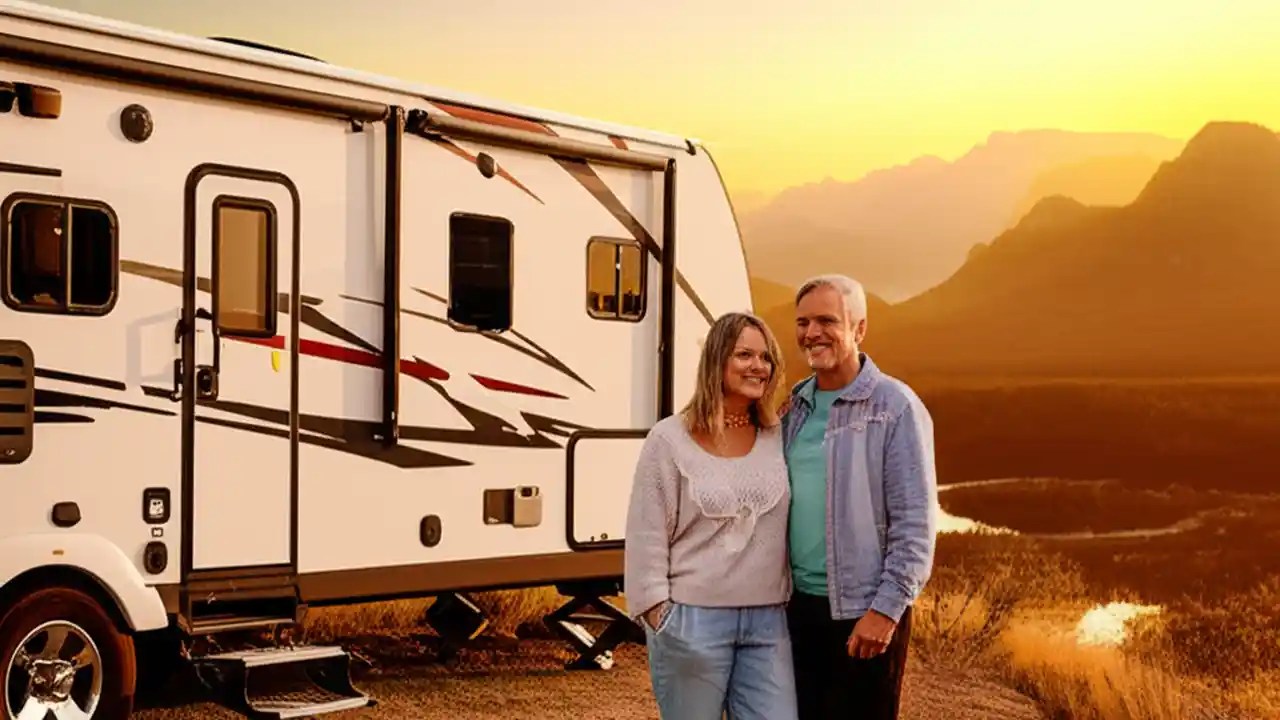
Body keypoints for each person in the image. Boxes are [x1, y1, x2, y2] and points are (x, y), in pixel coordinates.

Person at [623, 311, 798, 720]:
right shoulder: (669, 438)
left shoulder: (778, 435)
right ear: (717, 360)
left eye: (766, 357)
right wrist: (658, 612)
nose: (758, 366)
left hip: (769, 623)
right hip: (691, 621)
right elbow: (646, 532)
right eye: (744, 355)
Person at [781, 274, 938, 720]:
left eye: (827, 321)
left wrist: (886, 611)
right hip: (797, 608)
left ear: (860, 328)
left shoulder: (895, 407)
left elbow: (915, 525)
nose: (812, 333)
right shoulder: (795, 407)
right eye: (803, 322)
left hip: (863, 611)